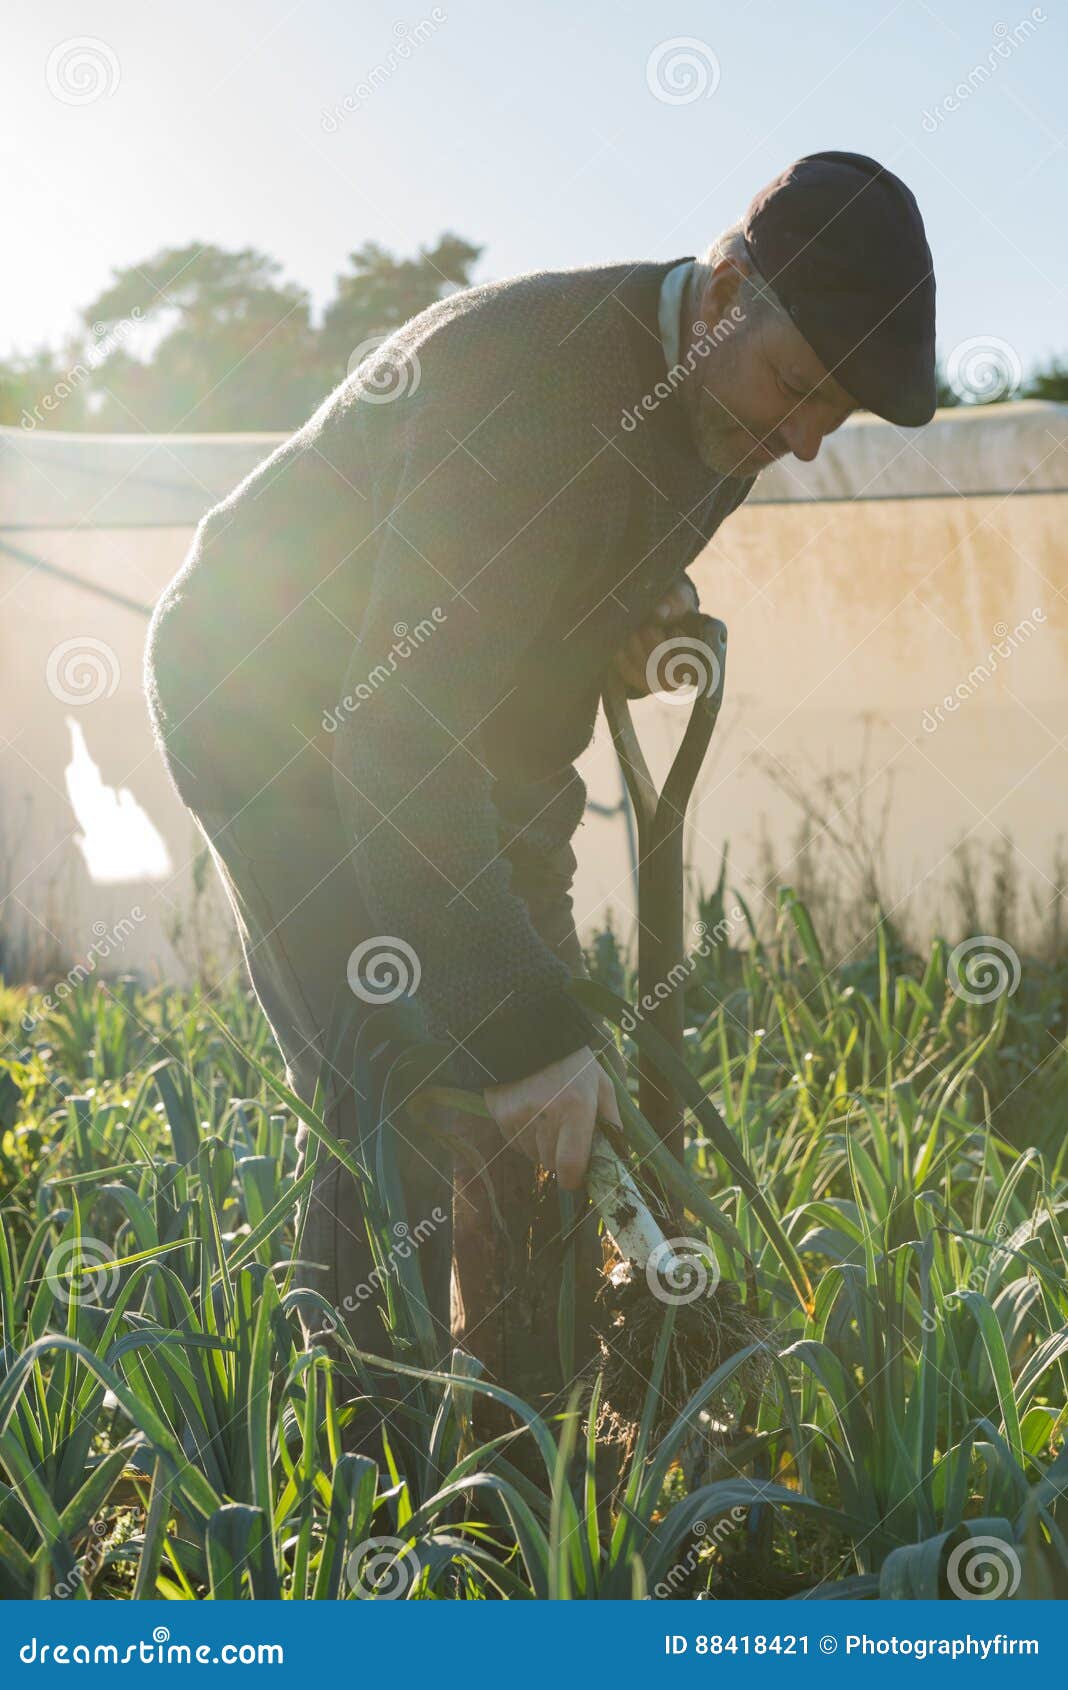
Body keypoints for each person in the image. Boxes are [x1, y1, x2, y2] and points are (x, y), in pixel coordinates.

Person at [143, 151, 936, 1428]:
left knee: (546, 1076)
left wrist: (634, 615)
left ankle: (530, 1428)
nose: (797, 441)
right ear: (729, 286)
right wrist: (517, 1034)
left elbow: (542, 604)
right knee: (399, 1067)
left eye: (827, 422)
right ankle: (365, 1471)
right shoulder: (530, 391)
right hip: (278, 704)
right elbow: (400, 727)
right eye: (797, 390)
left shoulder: (725, 404)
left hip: (469, 737)